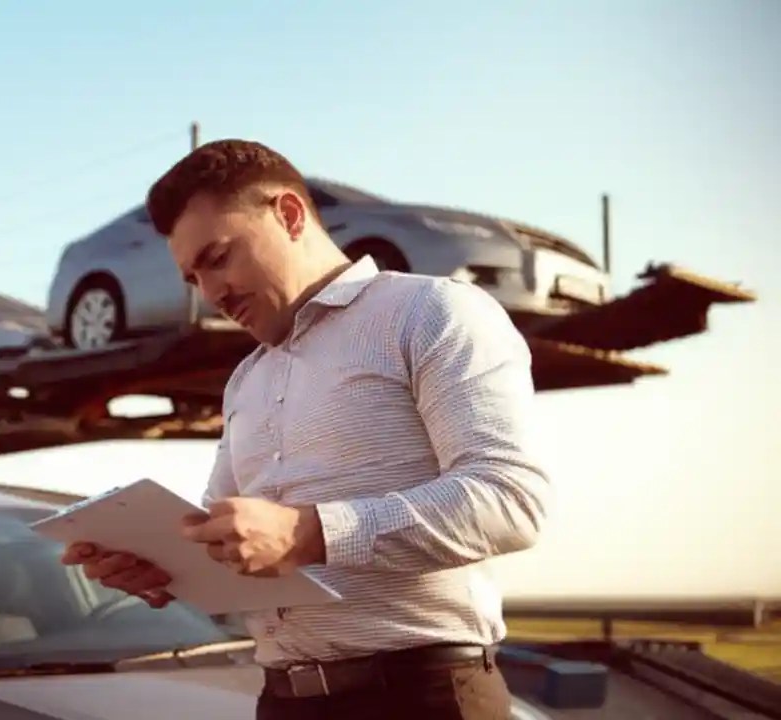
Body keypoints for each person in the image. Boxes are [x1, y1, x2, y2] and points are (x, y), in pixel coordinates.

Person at [60, 138, 552, 718]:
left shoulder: (432, 313)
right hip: (282, 701)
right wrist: (163, 567)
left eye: (218, 258)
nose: (211, 294)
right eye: (193, 278)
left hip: (425, 697)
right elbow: (232, 540)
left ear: (289, 214)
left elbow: (512, 500)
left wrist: (307, 534)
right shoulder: (245, 382)